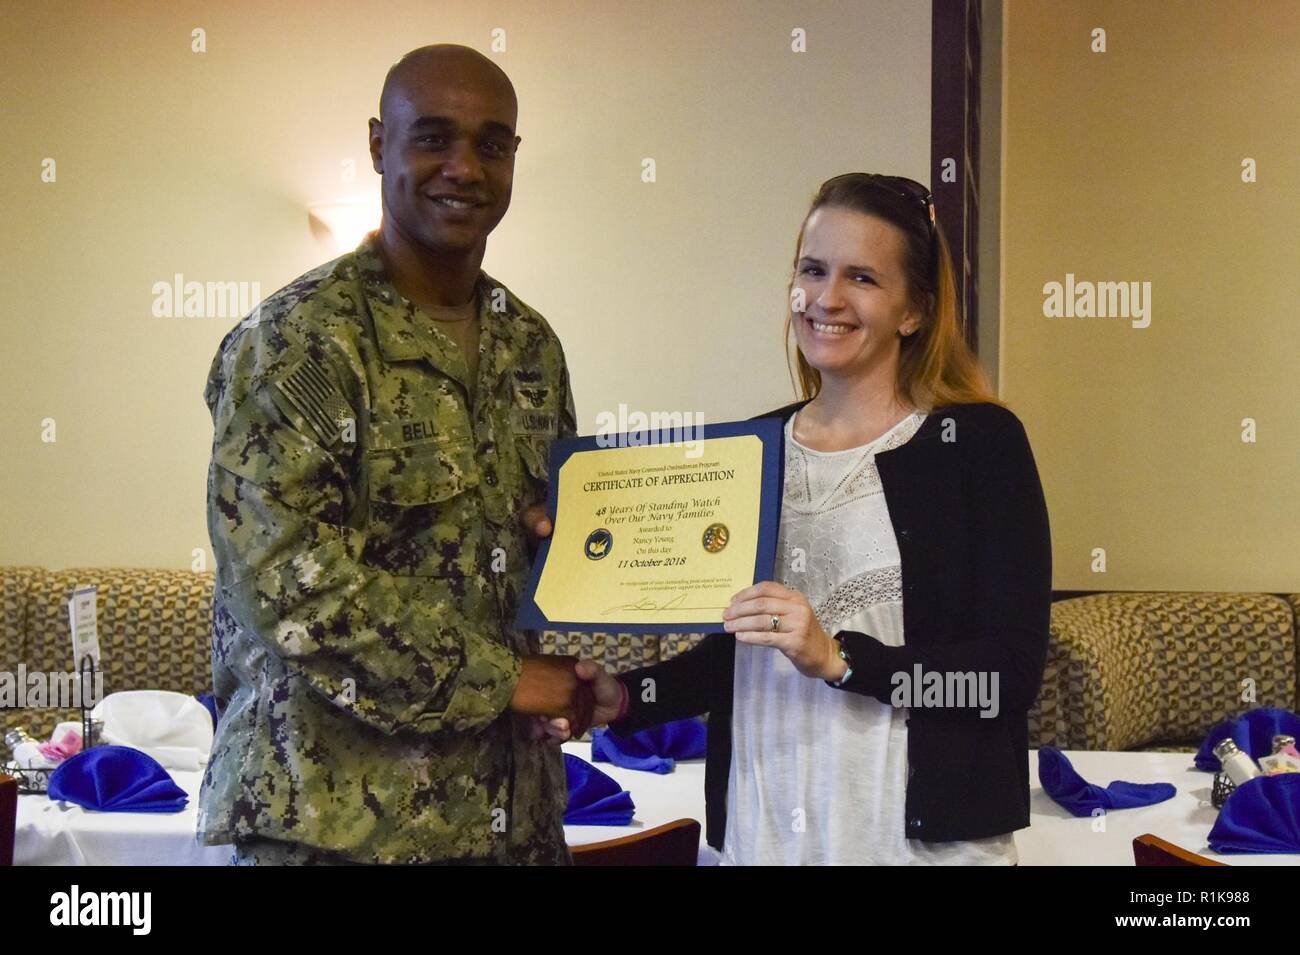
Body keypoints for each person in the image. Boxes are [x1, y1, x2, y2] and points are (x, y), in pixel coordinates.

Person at [559, 173, 1053, 864]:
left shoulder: (979, 444)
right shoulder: (746, 450)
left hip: (912, 844)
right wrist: (627, 696)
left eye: (863, 278)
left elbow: (1005, 676)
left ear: (914, 310)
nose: (827, 298)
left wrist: (843, 658)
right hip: (766, 830)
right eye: (813, 270)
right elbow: (737, 655)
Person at [199, 44, 594, 866]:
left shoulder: (531, 347)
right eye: (433, 138)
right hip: (336, 828)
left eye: (492, 144)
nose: (464, 166)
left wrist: (585, 580)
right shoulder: (298, 343)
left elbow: (540, 551)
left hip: (510, 823)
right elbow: (289, 582)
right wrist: (506, 680)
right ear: (380, 146)